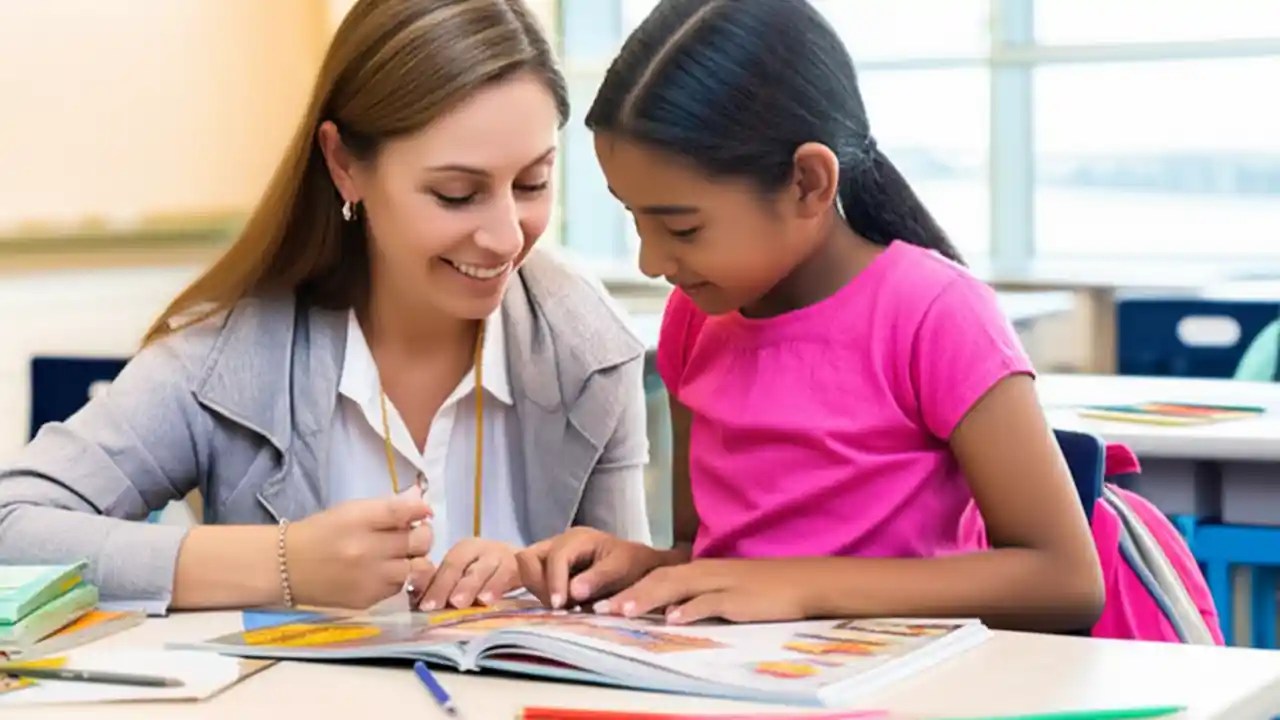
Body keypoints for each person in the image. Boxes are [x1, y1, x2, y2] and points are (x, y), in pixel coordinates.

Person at [0, 0, 650, 613]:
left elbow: (626, 614)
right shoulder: (226, 358)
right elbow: (11, 530)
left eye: (533, 182)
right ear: (345, 166)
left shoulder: (590, 349)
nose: (509, 236)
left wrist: (541, 582)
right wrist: (282, 563)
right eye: (456, 193)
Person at [518, 0, 1104, 632]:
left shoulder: (935, 315)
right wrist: (642, 568)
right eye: (634, 218)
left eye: (681, 227)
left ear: (807, 182)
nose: (652, 260)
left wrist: (798, 585)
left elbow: (1065, 579)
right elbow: (709, 553)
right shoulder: (694, 321)